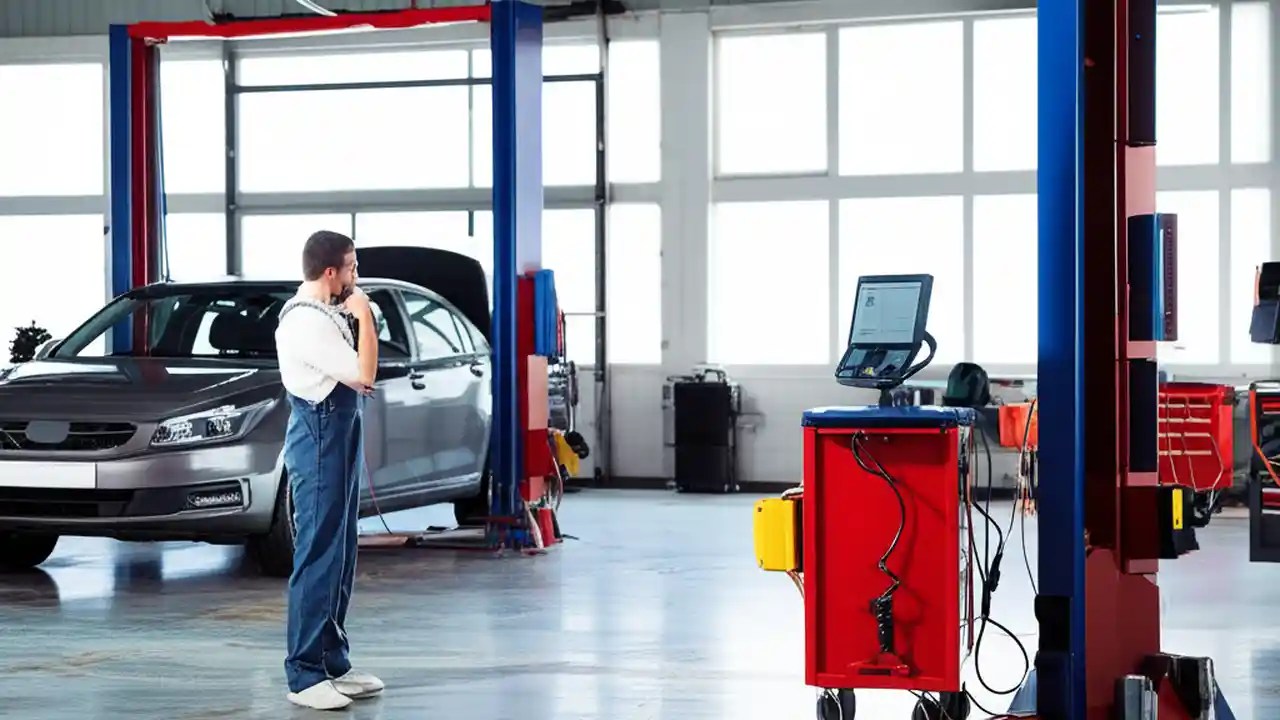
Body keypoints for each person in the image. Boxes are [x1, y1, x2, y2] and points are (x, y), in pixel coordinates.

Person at [273, 230, 384, 711]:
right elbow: (364, 375)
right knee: (318, 552)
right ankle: (303, 673)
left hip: (336, 438)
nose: (357, 278)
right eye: (353, 268)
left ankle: (332, 661)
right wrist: (364, 315)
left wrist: (353, 314)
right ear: (331, 272)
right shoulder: (307, 322)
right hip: (320, 440)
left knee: (341, 550)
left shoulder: (324, 314)